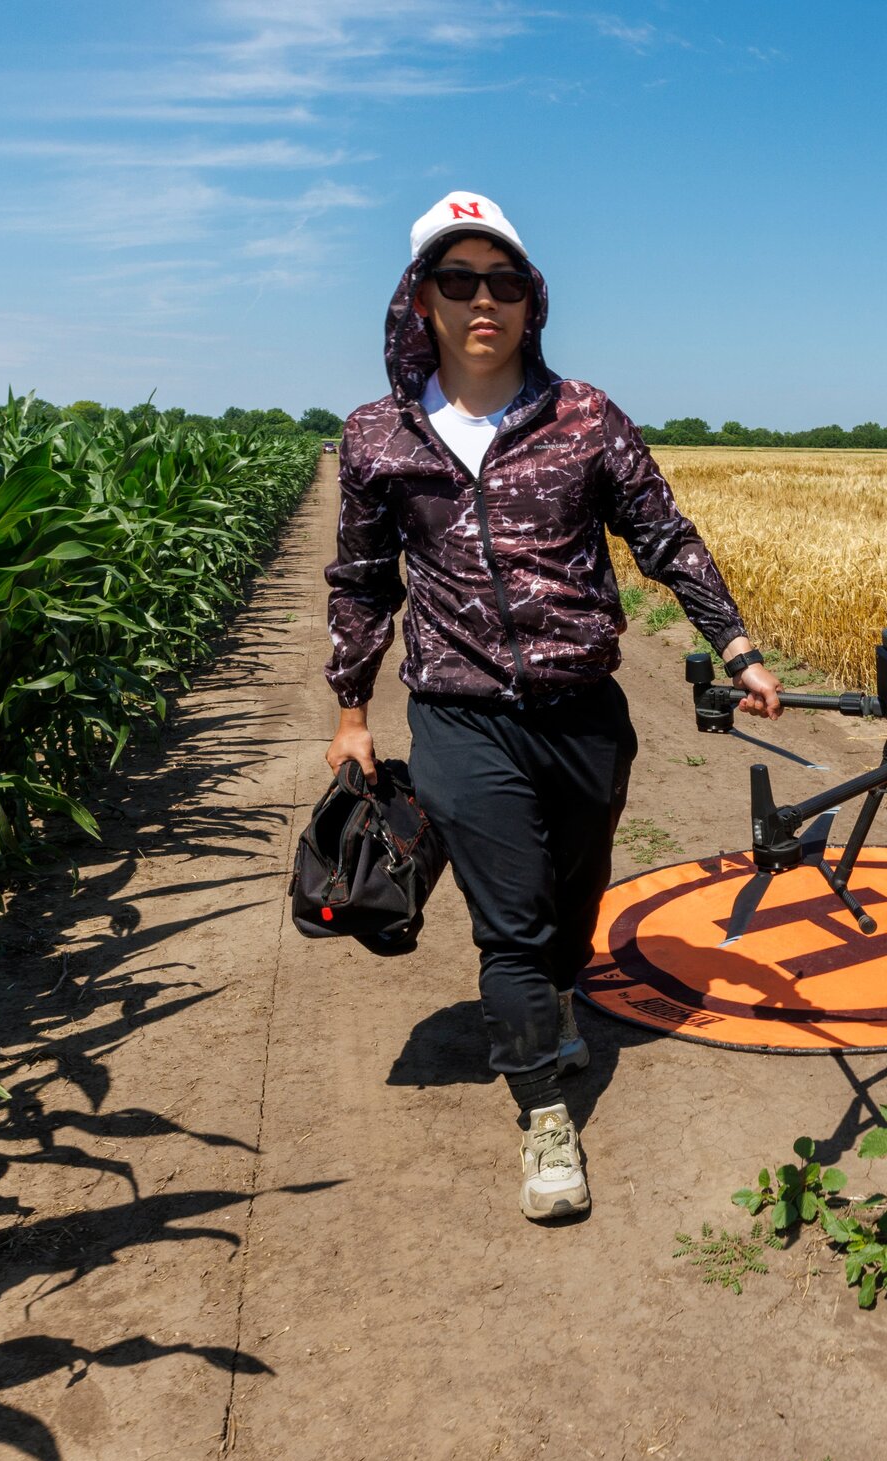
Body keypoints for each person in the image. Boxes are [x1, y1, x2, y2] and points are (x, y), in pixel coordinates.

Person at [324, 191, 783, 1222]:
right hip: (458, 714)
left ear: (533, 301)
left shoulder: (586, 417)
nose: (483, 299)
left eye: (505, 281)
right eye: (459, 280)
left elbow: (666, 536)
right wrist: (352, 711)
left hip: (584, 713)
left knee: (576, 905)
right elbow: (360, 581)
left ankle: (556, 1000)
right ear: (422, 301)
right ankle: (542, 1116)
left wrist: (738, 644)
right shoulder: (378, 438)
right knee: (514, 923)